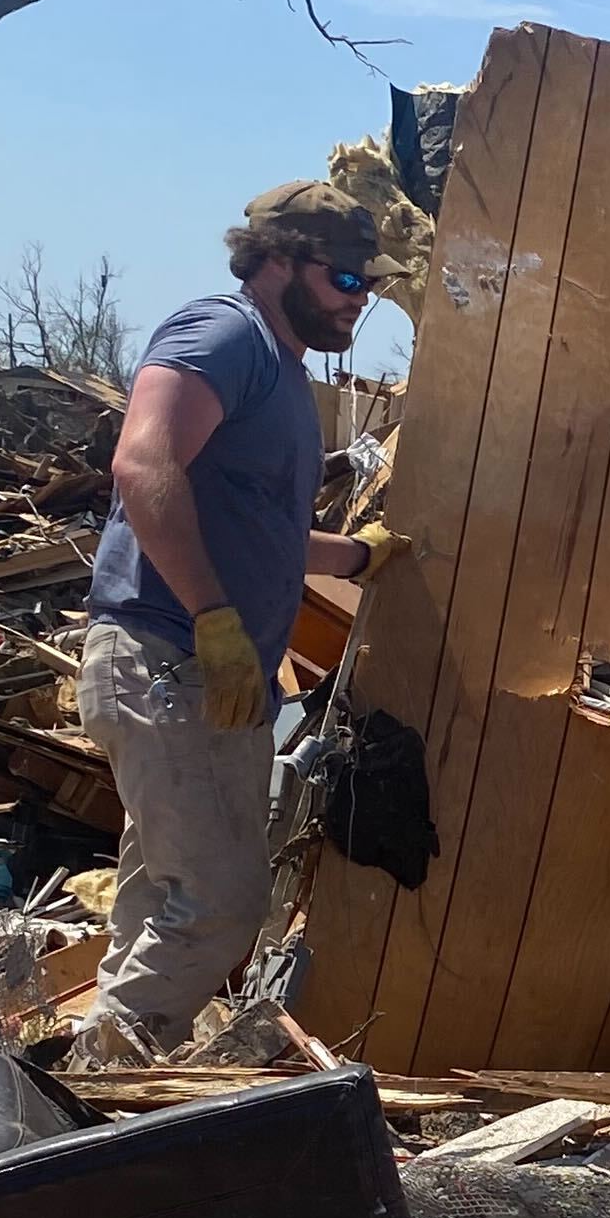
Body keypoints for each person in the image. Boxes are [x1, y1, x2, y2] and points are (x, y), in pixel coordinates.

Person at [77, 180, 383, 1047]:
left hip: (211, 675)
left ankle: (107, 1073)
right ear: (279, 260)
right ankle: (99, 1074)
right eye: (347, 280)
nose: (360, 302)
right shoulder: (225, 332)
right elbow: (143, 466)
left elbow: (253, 523)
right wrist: (213, 616)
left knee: (160, 896)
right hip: (172, 656)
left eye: (371, 286)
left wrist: (358, 557)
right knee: (220, 902)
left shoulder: (281, 372)